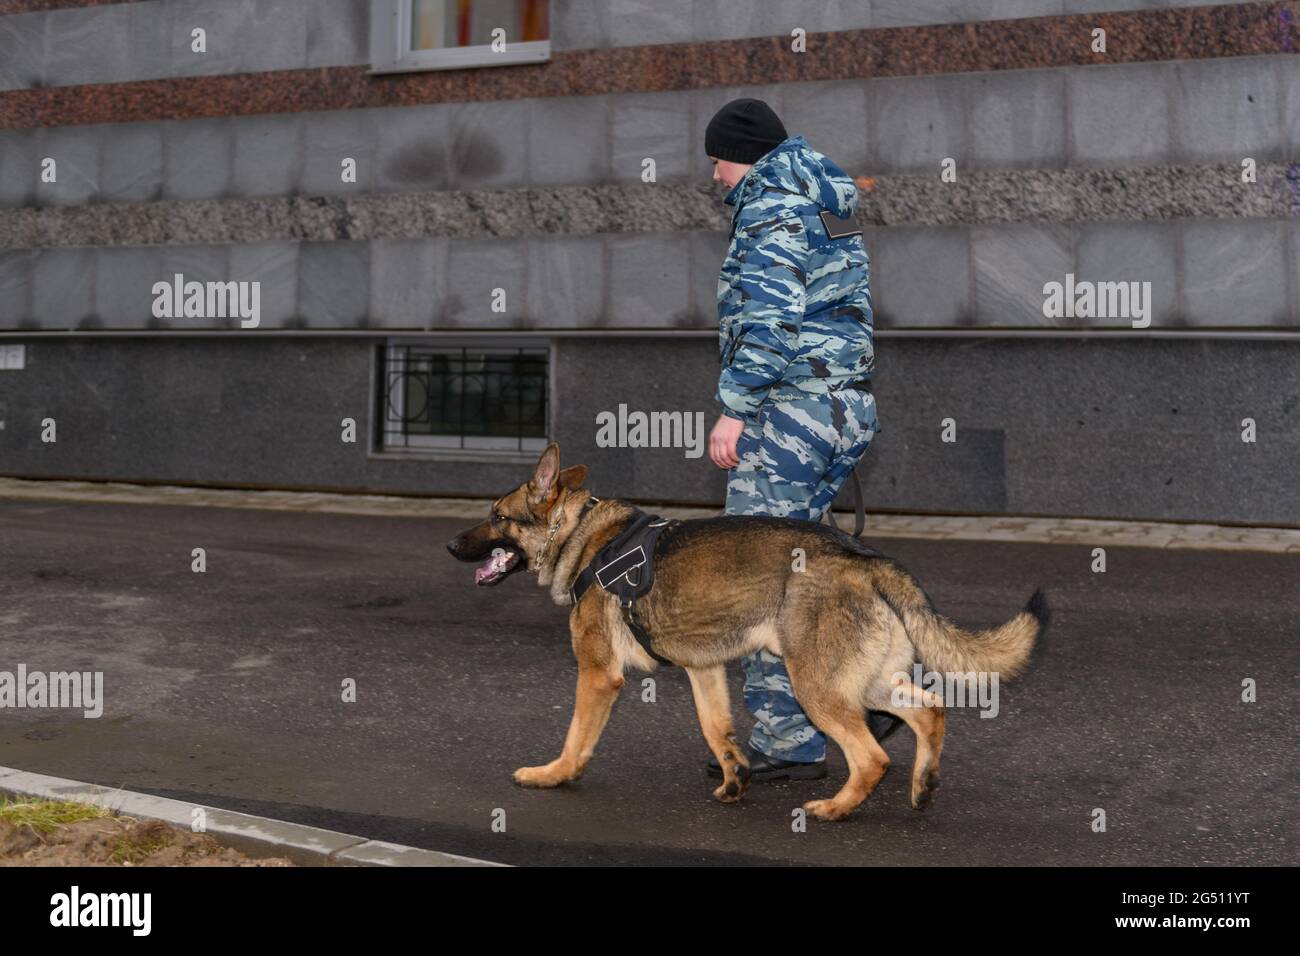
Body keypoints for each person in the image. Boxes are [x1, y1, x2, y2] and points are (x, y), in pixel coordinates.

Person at [703, 97, 904, 782]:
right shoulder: (826, 198)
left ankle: (789, 739)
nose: (717, 175)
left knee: (763, 579)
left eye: (720, 160)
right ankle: (872, 691)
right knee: (812, 572)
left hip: (791, 415)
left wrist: (735, 409)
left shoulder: (772, 207)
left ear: (746, 154)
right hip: (843, 409)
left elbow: (772, 322)